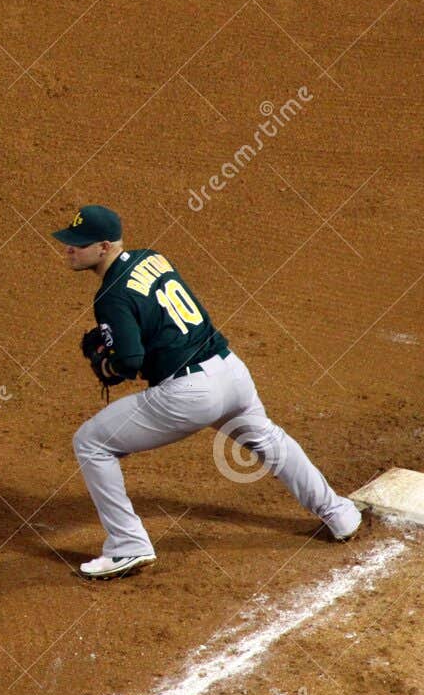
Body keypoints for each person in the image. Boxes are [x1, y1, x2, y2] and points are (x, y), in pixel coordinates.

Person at [55, 205, 361, 580]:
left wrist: (106, 364)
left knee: (91, 442)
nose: (69, 249)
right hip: (230, 371)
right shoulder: (153, 258)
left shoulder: (110, 297)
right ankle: (339, 515)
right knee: (266, 436)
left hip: (188, 394)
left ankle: (128, 545)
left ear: (104, 247)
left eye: (78, 245)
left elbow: (129, 360)